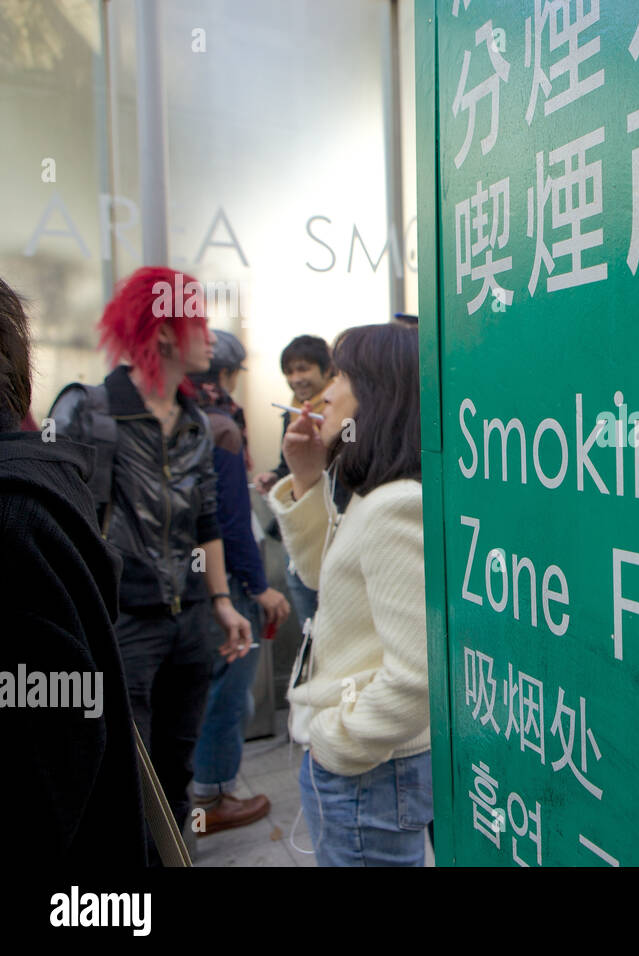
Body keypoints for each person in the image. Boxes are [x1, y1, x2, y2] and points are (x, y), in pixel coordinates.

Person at [49, 266, 253, 859]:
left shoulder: (195, 421)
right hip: (123, 621)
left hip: (188, 618)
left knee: (175, 760)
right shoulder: (90, 411)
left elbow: (206, 518)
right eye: (198, 321)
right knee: (123, 766)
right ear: (163, 331)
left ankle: (172, 857)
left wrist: (220, 602)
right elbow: (55, 511)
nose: (210, 338)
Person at [0, 276, 149, 866]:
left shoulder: (14, 513)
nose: (211, 347)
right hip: (125, 603)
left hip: (135, 601)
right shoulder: (91, 407)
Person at [268, 323, 430, 866]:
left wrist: (340, 741)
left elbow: (418, 676)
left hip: (368, 770)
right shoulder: (375, 493)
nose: (324, 392)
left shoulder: (394, 504)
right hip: (370, 769)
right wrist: (308, 476)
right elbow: (323, 579)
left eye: (342, 375)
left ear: (380, 393)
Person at [190, 330, 290, 834]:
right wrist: (258, 586)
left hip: (182, 582)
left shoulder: (169, 419)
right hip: (225, 578)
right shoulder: (221, 427)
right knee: (230, 691)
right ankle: (212, 798)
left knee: (207, 687)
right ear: (226, 374)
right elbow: (231, 521)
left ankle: (194, 794)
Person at [253, 335, 347, 628]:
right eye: (290, 372)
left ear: (327, 369)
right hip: (299, 532)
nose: (296, 379)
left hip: (336, 528)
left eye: (303, 369)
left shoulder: (346, 414)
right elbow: (290, 469)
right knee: (311, 627)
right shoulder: (292, 414)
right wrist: (276, 476)